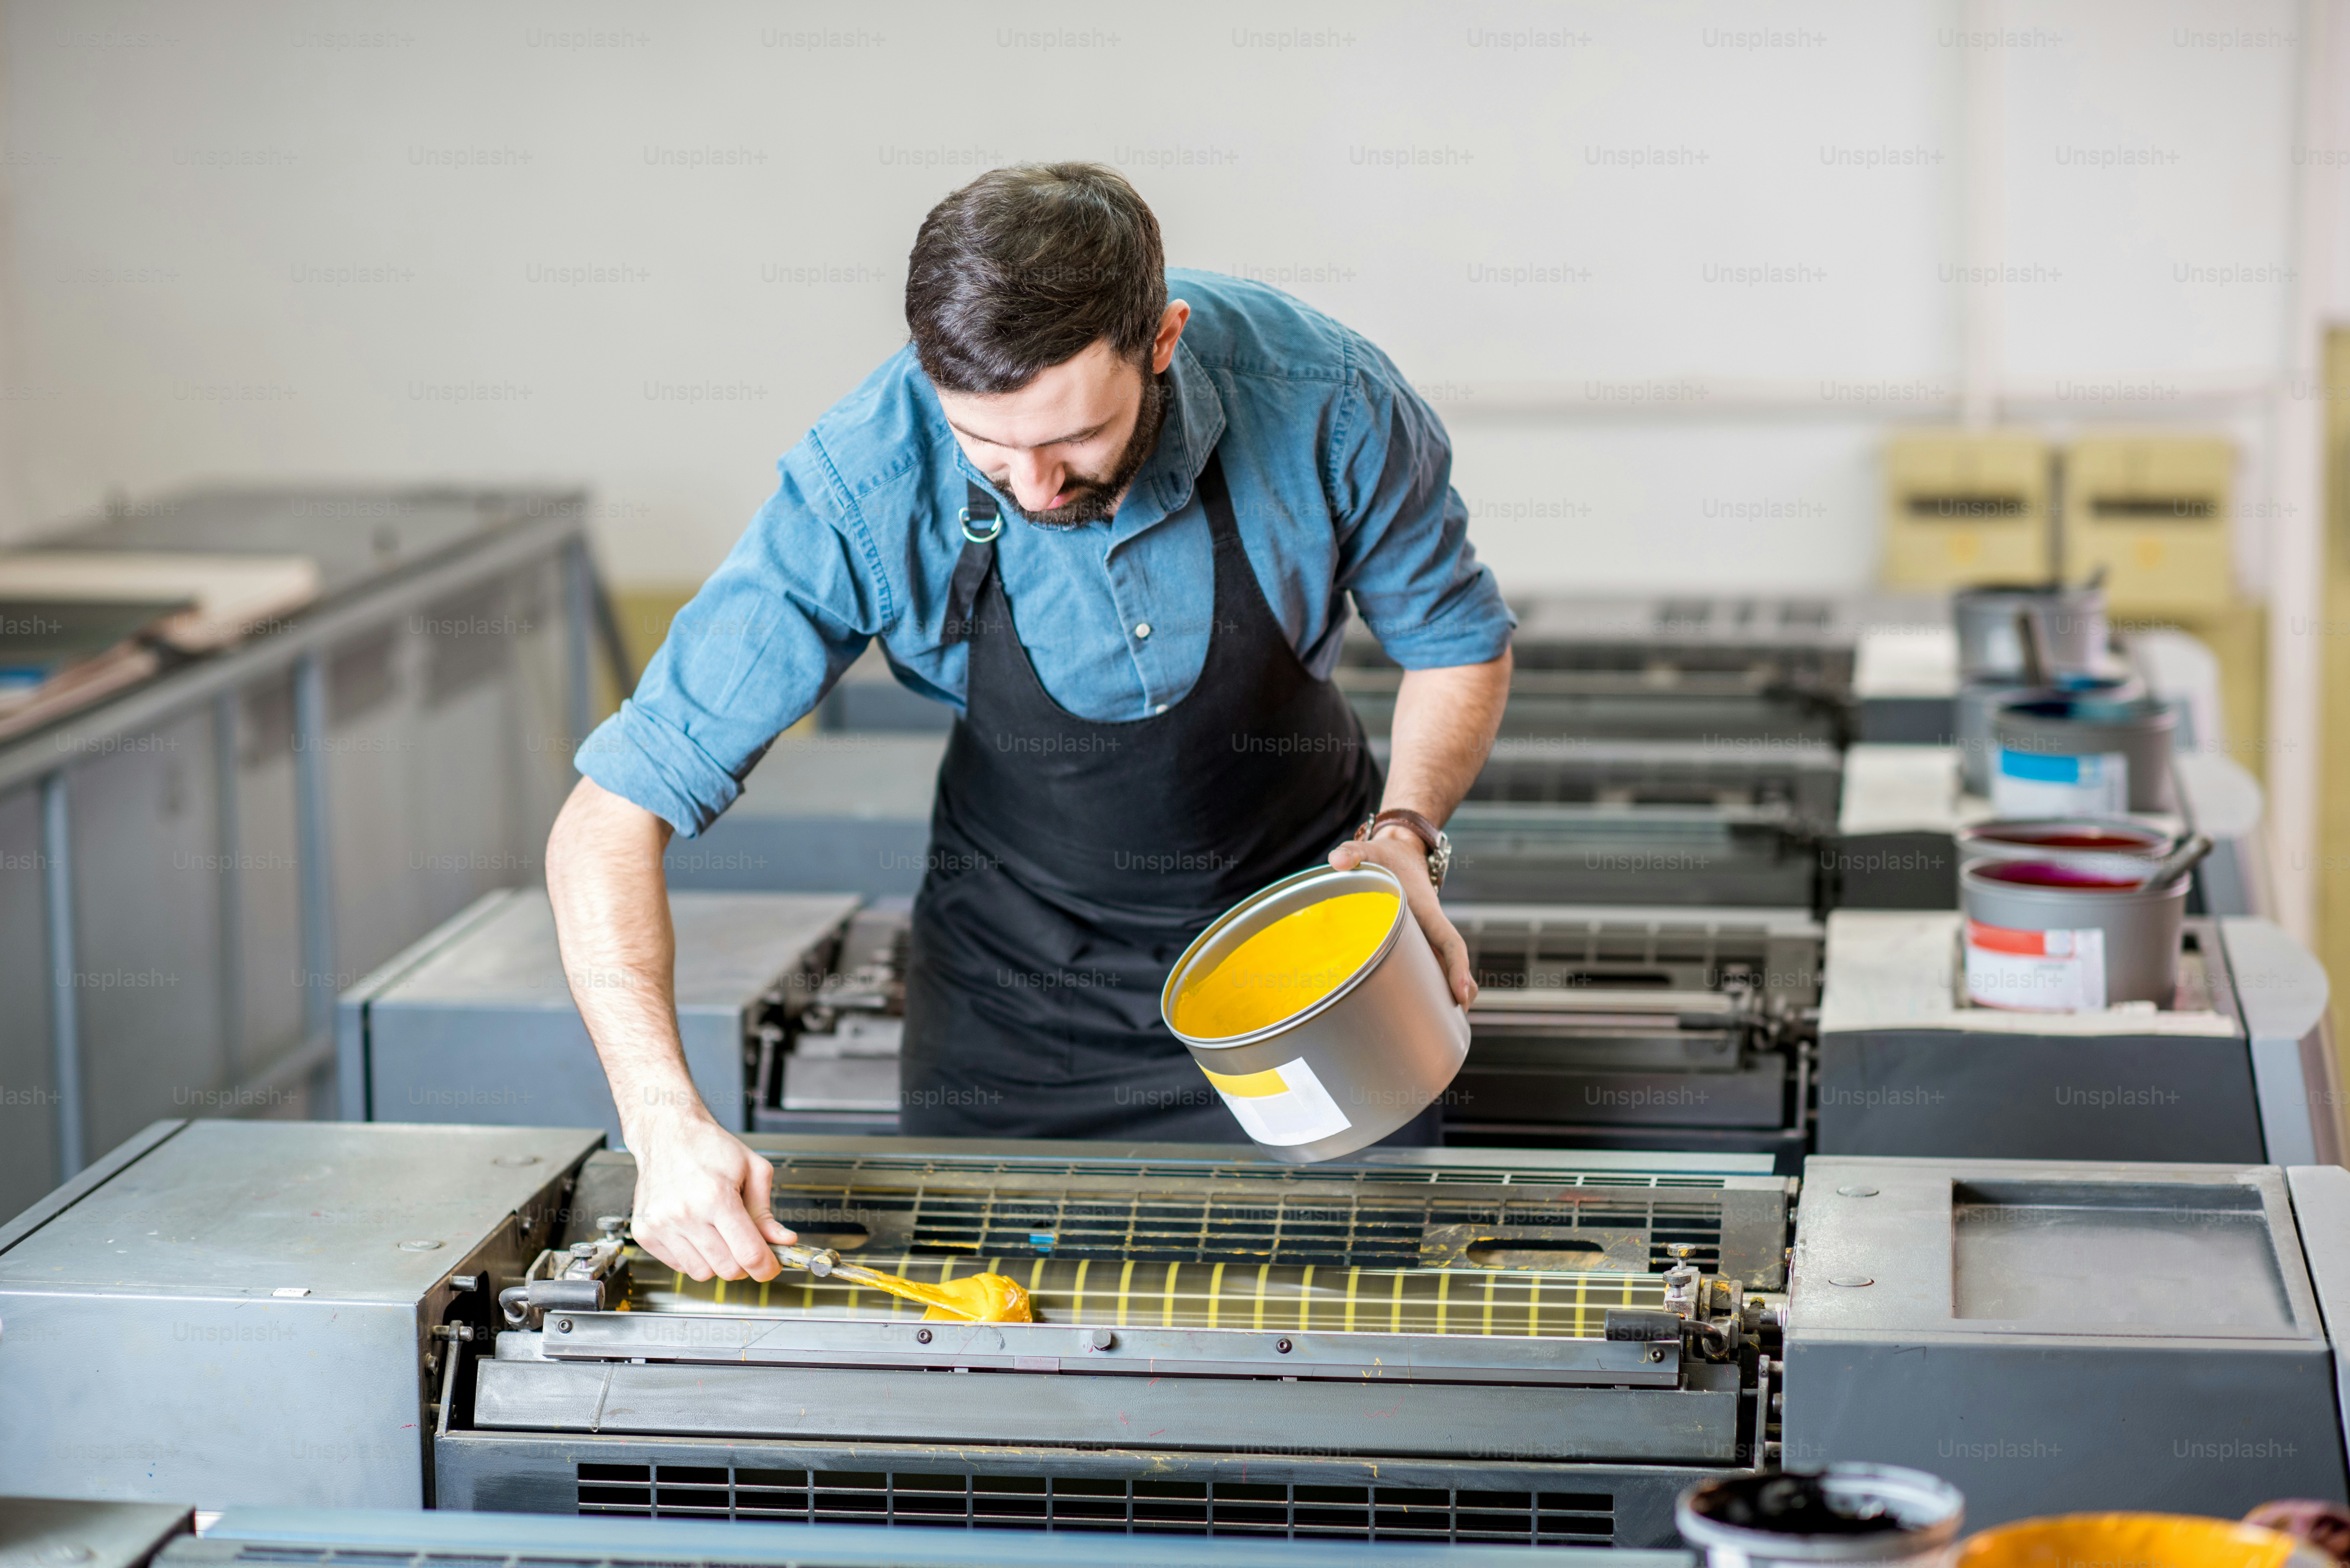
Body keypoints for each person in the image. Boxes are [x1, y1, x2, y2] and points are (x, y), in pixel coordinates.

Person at [546, 162, 1514, 1284]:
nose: (1039, 490)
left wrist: (1405, 834)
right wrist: (661, 1119)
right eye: (990, 452)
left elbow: (1456, 644)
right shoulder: (866, 482)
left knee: (1355, 1334)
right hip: (1022, 1002)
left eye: (1075, 442)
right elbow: (607, 819)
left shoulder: (1324, 397)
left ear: (1163, 340)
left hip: (1309, 969)